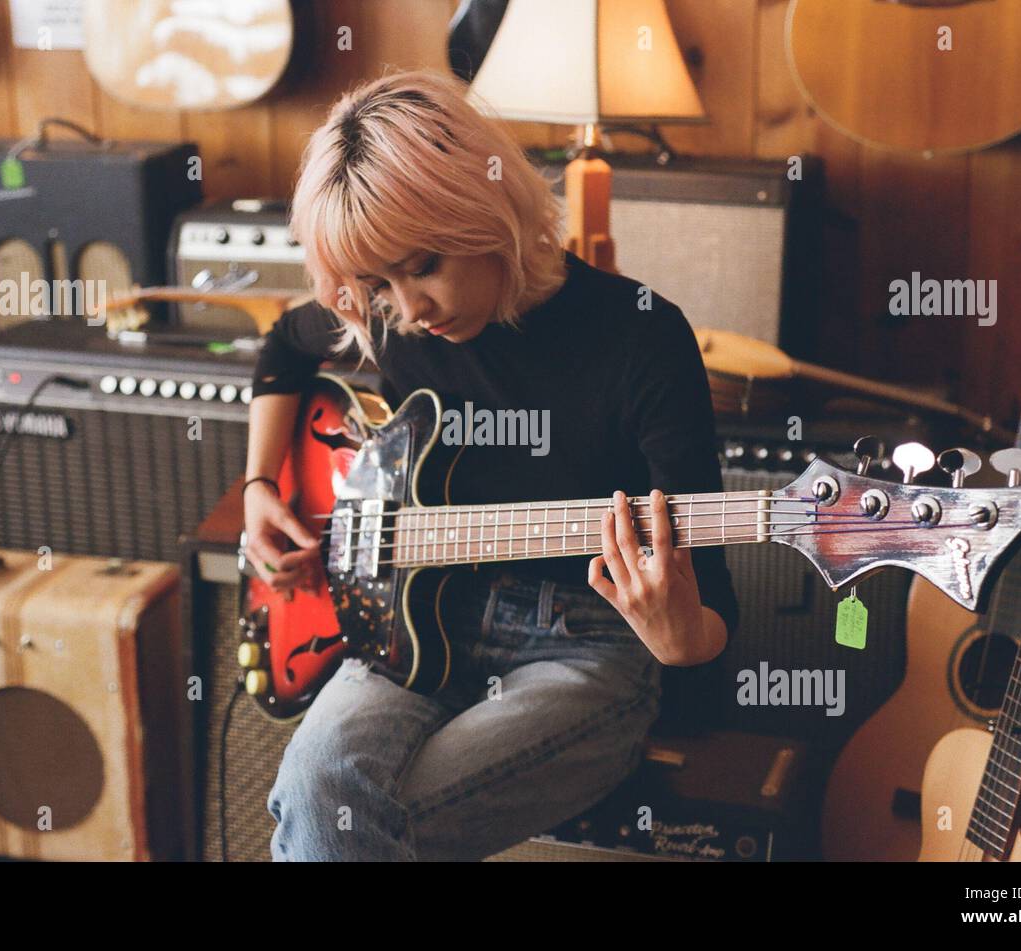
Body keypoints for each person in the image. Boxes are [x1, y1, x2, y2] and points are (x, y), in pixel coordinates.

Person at [245, 69, 739, 861]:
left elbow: (710, 603)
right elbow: (283, 348)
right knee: (317, 791)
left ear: (486, 209)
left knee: (342, 822)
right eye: (377, 285)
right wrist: (260, 487)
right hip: (415, 617)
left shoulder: (641, 337)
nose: (407, 311)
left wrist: (680, 637)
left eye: (424, 265)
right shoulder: (388, 305)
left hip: (587, 646)